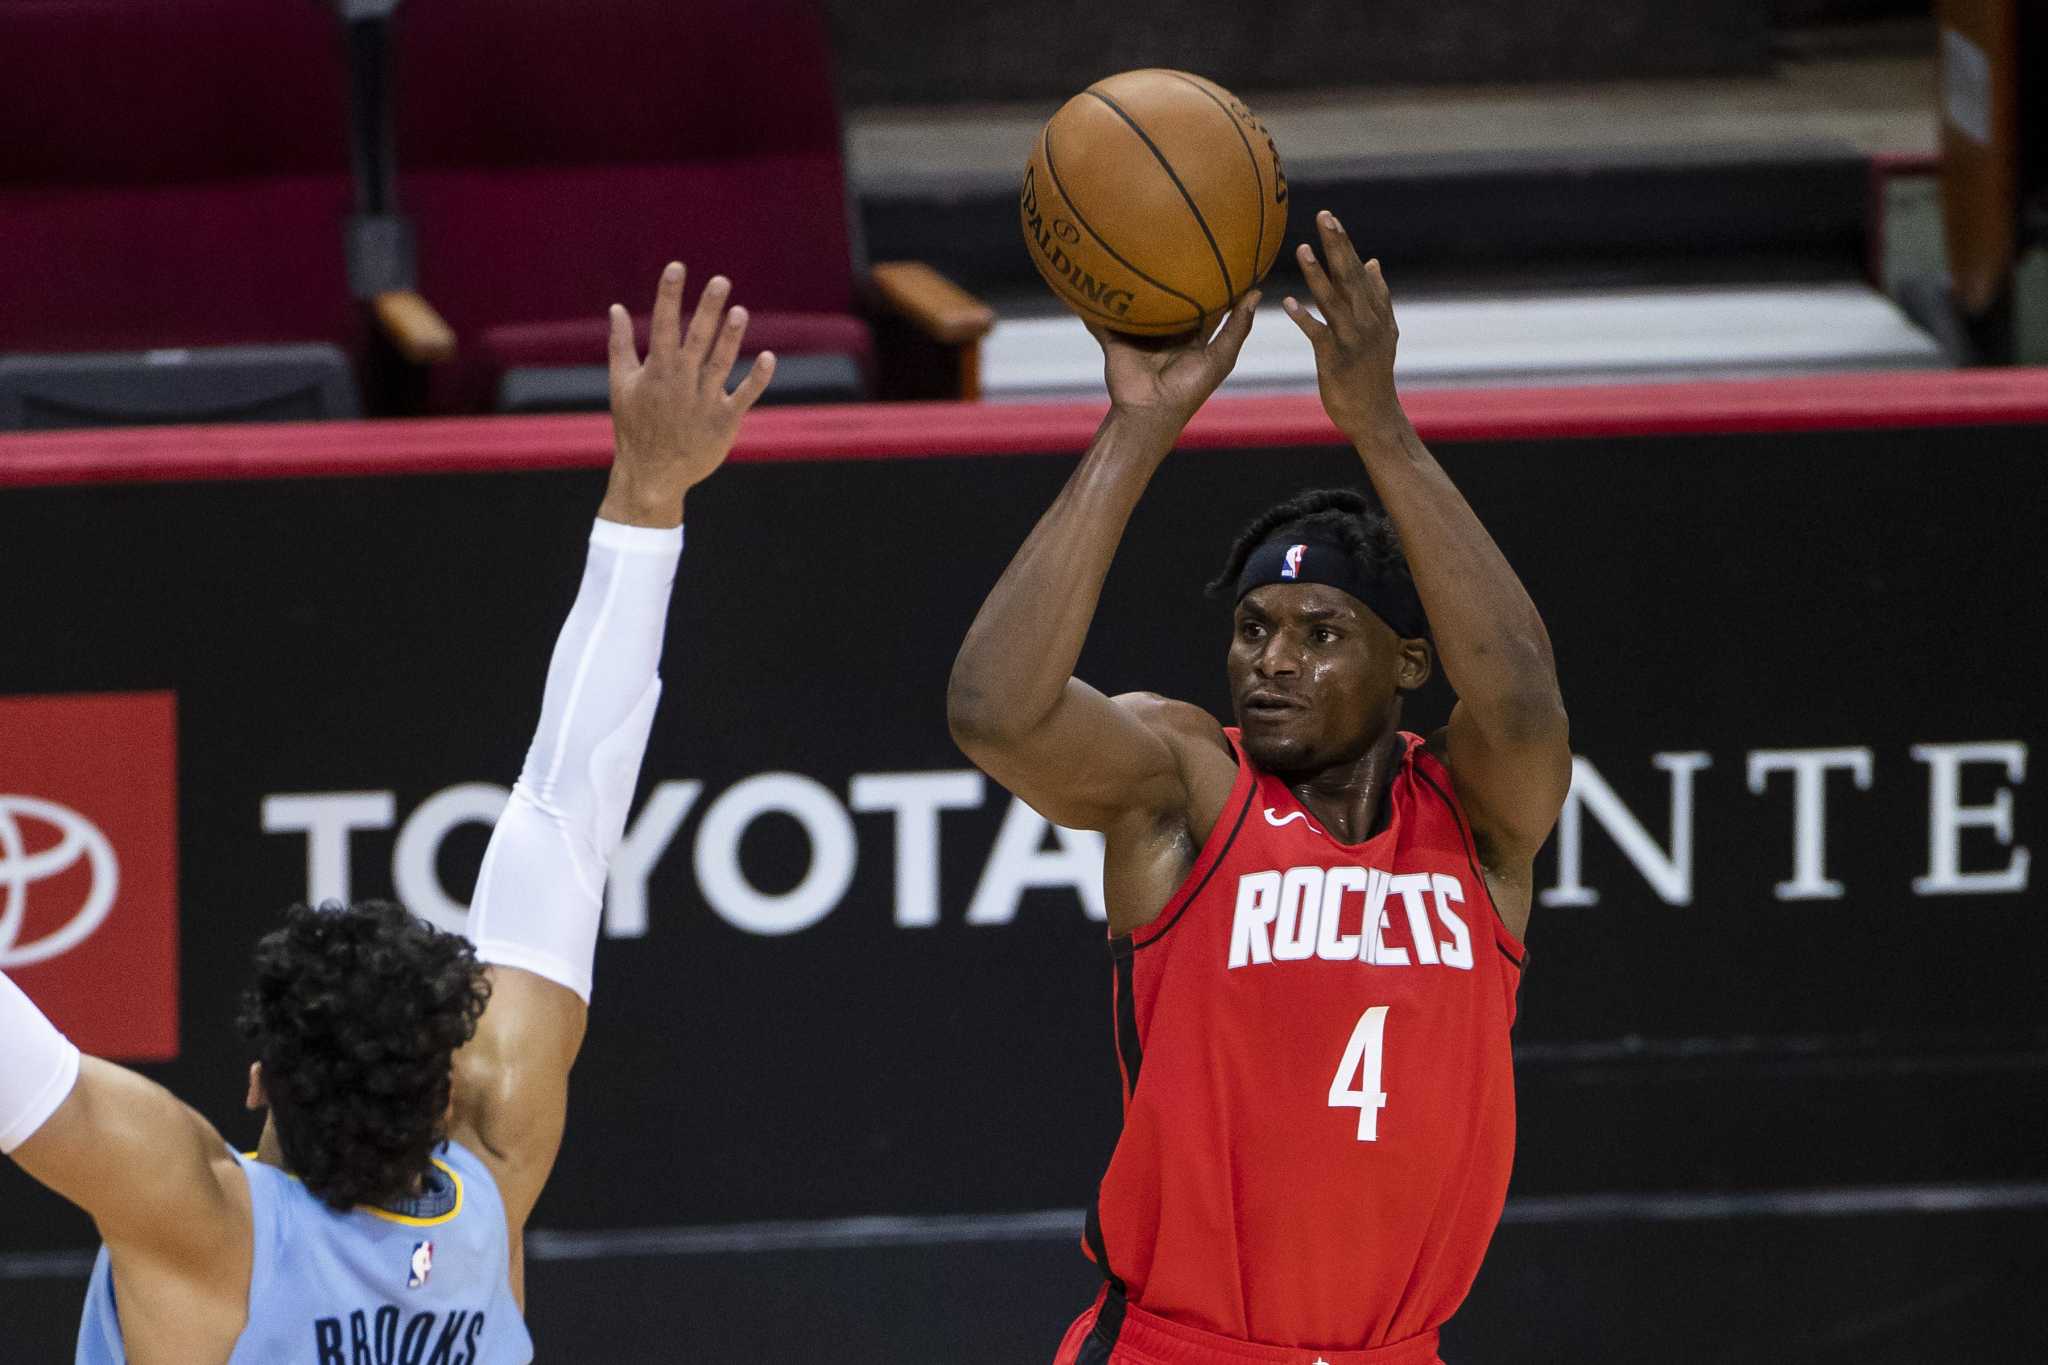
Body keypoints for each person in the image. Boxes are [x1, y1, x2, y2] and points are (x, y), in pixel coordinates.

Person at [0, 262, 774, 1364]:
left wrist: (647, 501)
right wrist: (650, 492)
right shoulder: (491, 1180)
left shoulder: (202, 1227)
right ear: (453, 1081)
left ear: (261, 1079)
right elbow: (568, 807)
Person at [948, 211, 1571, 1365]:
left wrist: (1377, 426)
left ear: (1408, 663)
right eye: (1250, 629)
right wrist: (1138, 429)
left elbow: (1524, 701)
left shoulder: (1474, 823)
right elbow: (997, 711)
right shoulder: (1189, 784)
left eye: (1320, 632)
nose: (1271, 661)